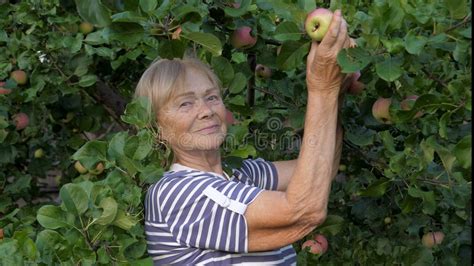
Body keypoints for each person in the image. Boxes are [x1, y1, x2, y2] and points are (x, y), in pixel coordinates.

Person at [135, 10, 350, 265]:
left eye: (212, 97)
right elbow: (303, 211)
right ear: (157, 129)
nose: (206, 111)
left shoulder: (239, 175)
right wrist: (323, 88)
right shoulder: (175, 193)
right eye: (185, 104)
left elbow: (322, 170)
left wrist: (338, 87)